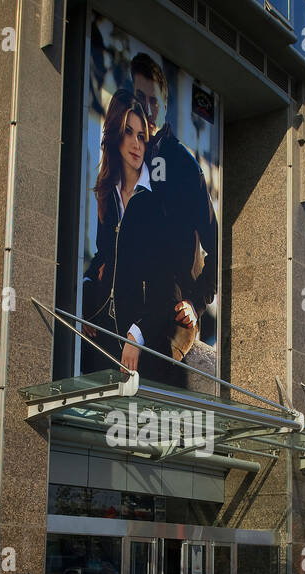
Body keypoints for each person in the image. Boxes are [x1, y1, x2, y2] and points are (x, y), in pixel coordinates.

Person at [81, 91, 193, 385]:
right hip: (105, 336)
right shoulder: (107, 193)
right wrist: (86, 297)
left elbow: (168, 283)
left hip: (144, 339)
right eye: (128, 132)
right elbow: (103, 257)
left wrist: (136, 334)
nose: (135, 143)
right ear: (115, 136)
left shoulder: (159, 200)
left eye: (142, 136)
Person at [130, 53, 218, 373]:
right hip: (128, 312)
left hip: (172, 322)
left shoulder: (183, 167)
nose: (148, 109)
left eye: (155, 101)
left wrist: (195, 303)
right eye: (140, 98)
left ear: (165, 107)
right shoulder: (126, 153)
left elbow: (217, 245)